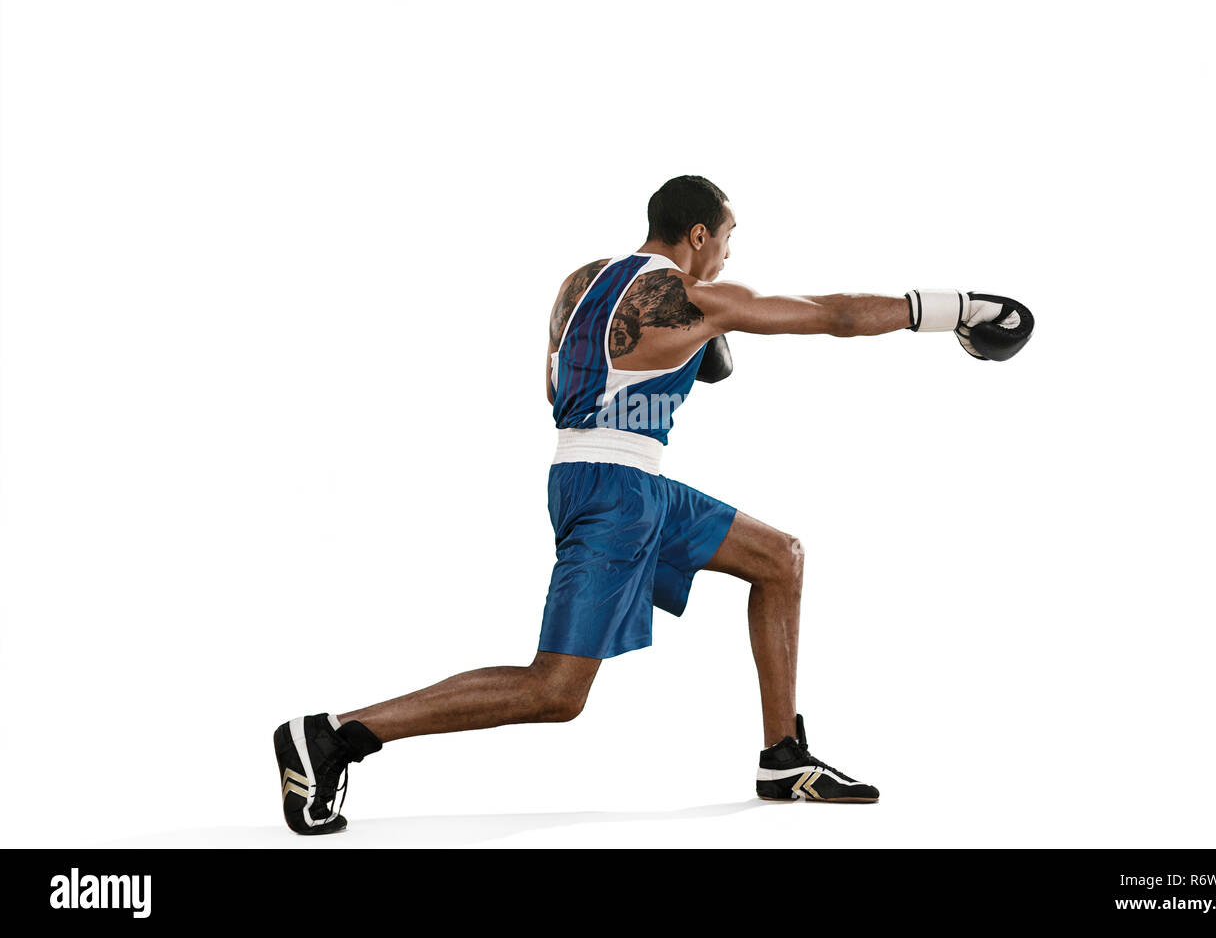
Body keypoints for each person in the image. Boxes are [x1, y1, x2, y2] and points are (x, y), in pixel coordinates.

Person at [273, 175, 1029, 834]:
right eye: (729, 240)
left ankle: (782, 757)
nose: (731, 256)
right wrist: (955, 307)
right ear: (699, 235)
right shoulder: (694, 297)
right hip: (615, 496)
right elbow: (828, 313)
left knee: (780, 558)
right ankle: (334, 737)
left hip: (609, 478)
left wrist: (688, 354)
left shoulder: (581, 282)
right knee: (556, 691)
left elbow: (557, 388)